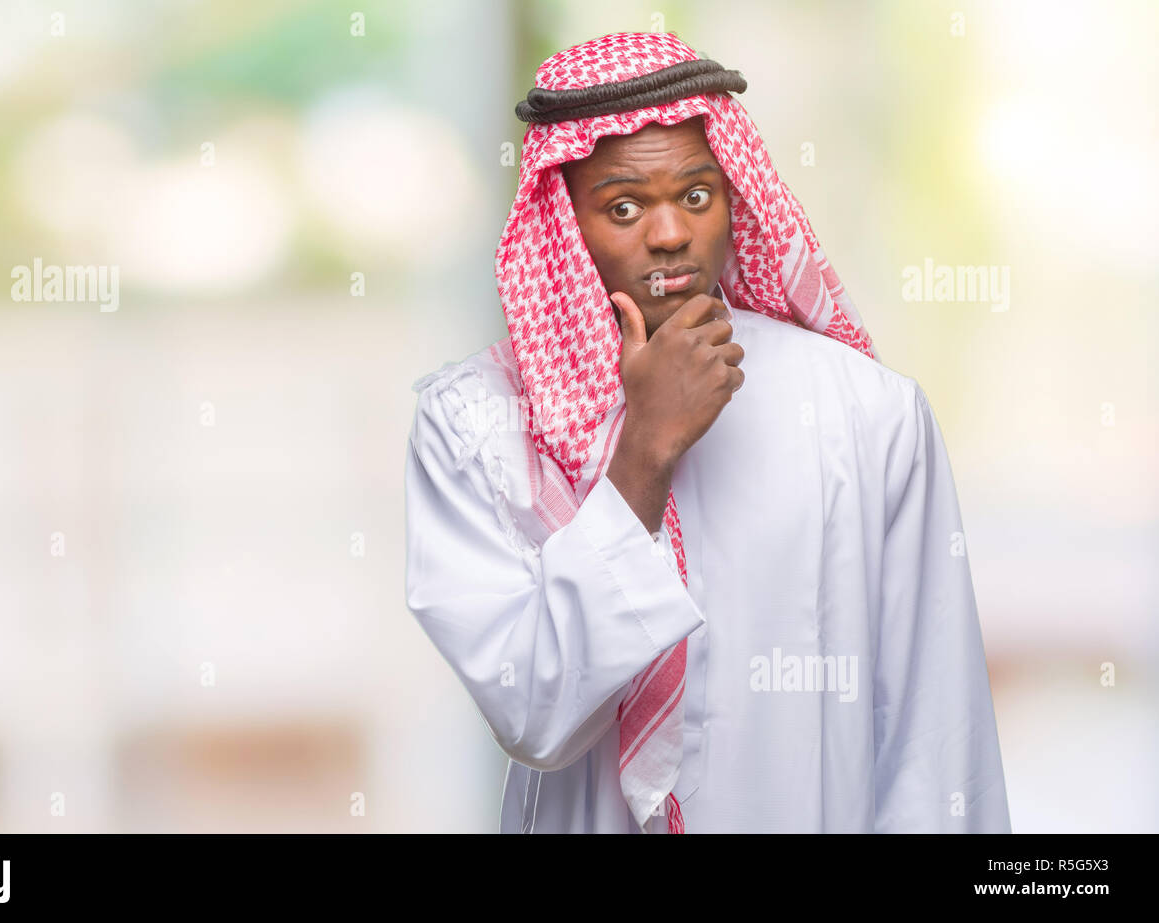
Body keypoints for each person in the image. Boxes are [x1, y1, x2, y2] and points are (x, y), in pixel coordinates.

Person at [403, 31, 1011, 834]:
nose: (668, 235)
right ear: (563, 222)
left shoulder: (870, 412)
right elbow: (533, 714)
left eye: (695, 195)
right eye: (623, 207)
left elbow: (935, 746)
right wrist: (643, 453)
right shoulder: (473, 424)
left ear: (734, 197)